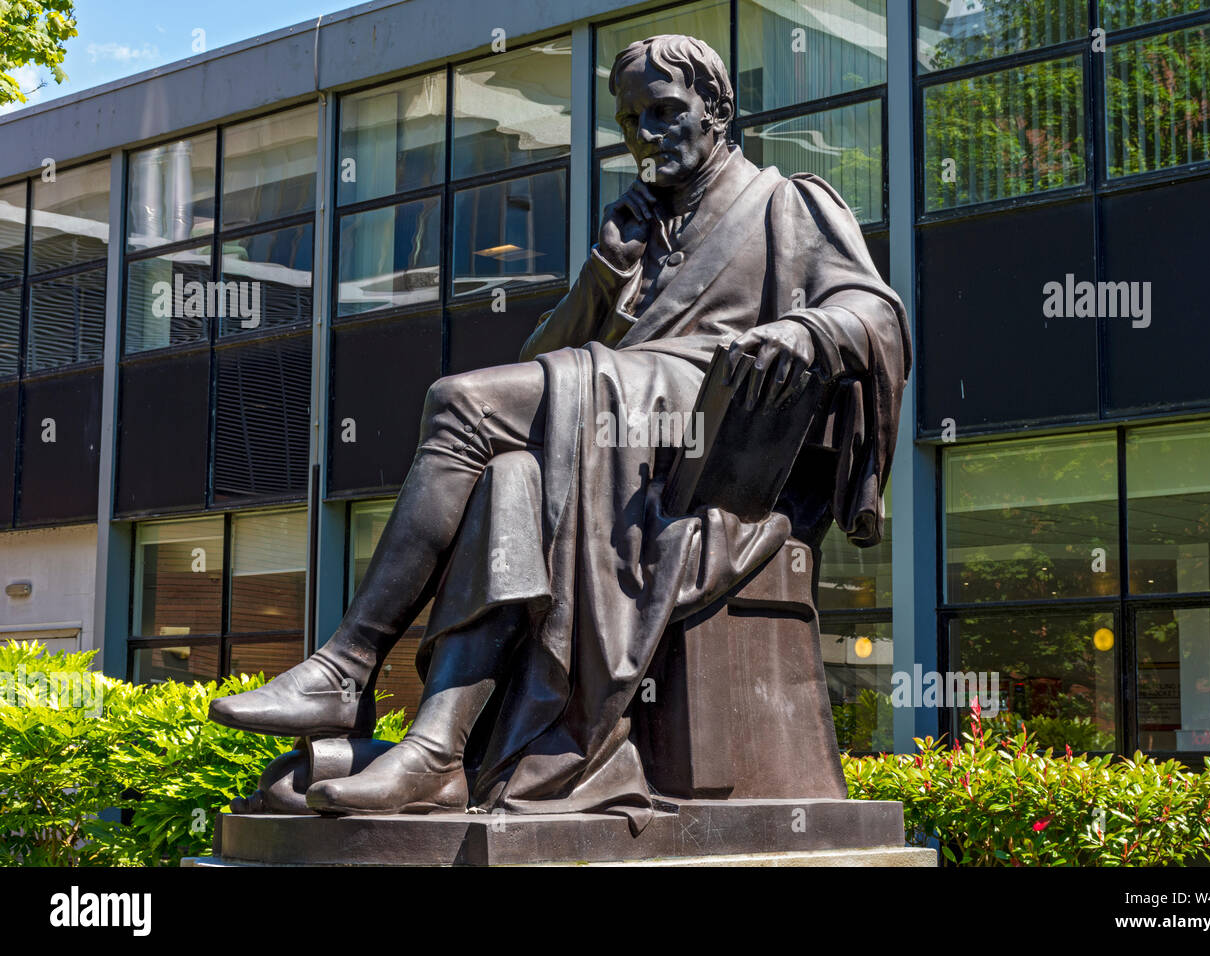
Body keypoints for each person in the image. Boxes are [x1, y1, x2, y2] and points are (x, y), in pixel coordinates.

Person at [210, 34, 911, 827]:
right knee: (510, 473)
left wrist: (807, 333)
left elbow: (877, 313)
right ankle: (439, 749)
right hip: (615, 431)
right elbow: (538, 364)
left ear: (719, 111)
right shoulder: (638, 233)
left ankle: (347, 666)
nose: (647, 135)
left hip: (694, 431)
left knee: (460, 403)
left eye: (667, 112)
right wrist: (603, 276)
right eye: (632, 119)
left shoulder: (788, 201)